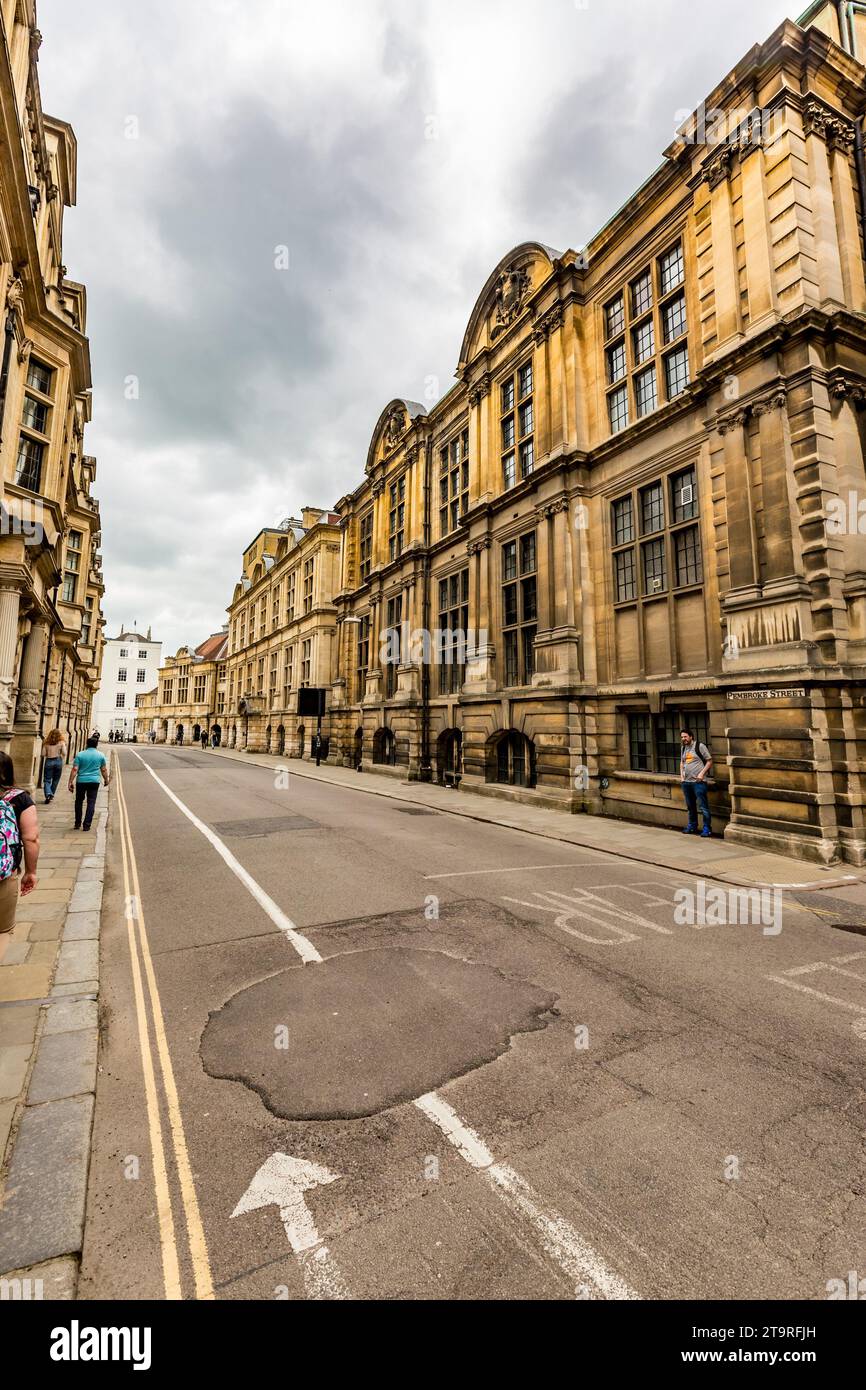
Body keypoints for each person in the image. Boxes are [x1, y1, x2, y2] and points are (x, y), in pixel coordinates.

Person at [0, 751, 39, 964]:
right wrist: (31, 872)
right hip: (4, 875)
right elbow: (31, 838)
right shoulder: (19, 799)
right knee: (3, 930)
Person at [68, 734, 110, 831]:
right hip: (94, 782)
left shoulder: (80, 754)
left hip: (81, 781)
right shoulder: (101, 755)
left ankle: (77, 823)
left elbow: (75, 769)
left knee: (79, 802)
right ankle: (87, 825)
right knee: (91, 802)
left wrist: (70, 782)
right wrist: (106, 780)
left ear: (87, 744)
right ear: (96, 745)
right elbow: (103, 770)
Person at [680, 728, 713, 837]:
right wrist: (682, 777)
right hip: (686, 783)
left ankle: (707, 828)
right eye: (682, 737)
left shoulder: (700, 746)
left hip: (698, 782)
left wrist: (701, 774)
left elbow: (709, 761)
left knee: (703, 807)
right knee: (690, 807)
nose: (683, 739)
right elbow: (682, 762)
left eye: (685, 736)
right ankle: (692, 826)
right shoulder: (683, 748)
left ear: (691, 736)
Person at [42, 728, 67, 803]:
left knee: (47, 780)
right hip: (58, 761)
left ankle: (48, 794)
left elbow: (43, 754)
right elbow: (64, 753)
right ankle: (51, 795)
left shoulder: (46, 743)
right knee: (56, 780)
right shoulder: (61, 742)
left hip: (49, 761)